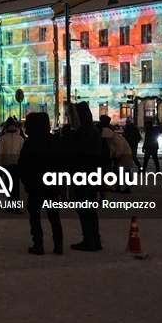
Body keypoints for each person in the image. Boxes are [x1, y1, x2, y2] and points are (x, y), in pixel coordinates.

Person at [19, 112, 64, 255]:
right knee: (54, 216)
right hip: (52, 186)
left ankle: (38, 244)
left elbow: (23, 164)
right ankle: (58, 245)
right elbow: (61, 164)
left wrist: (27, 182)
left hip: (35, 186)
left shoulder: (31, 142)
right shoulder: (55, 141)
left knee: (35, 216)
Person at [70, 102, 103, 251]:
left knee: (84, 209)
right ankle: (95, 239)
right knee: (91, 208)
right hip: (93, 174)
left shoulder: (82, 132)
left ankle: (89, 239)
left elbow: (77, 155)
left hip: (82, 175)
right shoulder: (94, 130)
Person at [101, 126, 135, 194]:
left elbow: (120, 149)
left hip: (125, 156)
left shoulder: (117, 138)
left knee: (124, 172)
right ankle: (119, 187)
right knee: (120, 172)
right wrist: (111, 158)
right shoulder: (111, 139)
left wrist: (115, 157)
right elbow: (112, 149)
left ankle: (126, 188)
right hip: (121, 156)